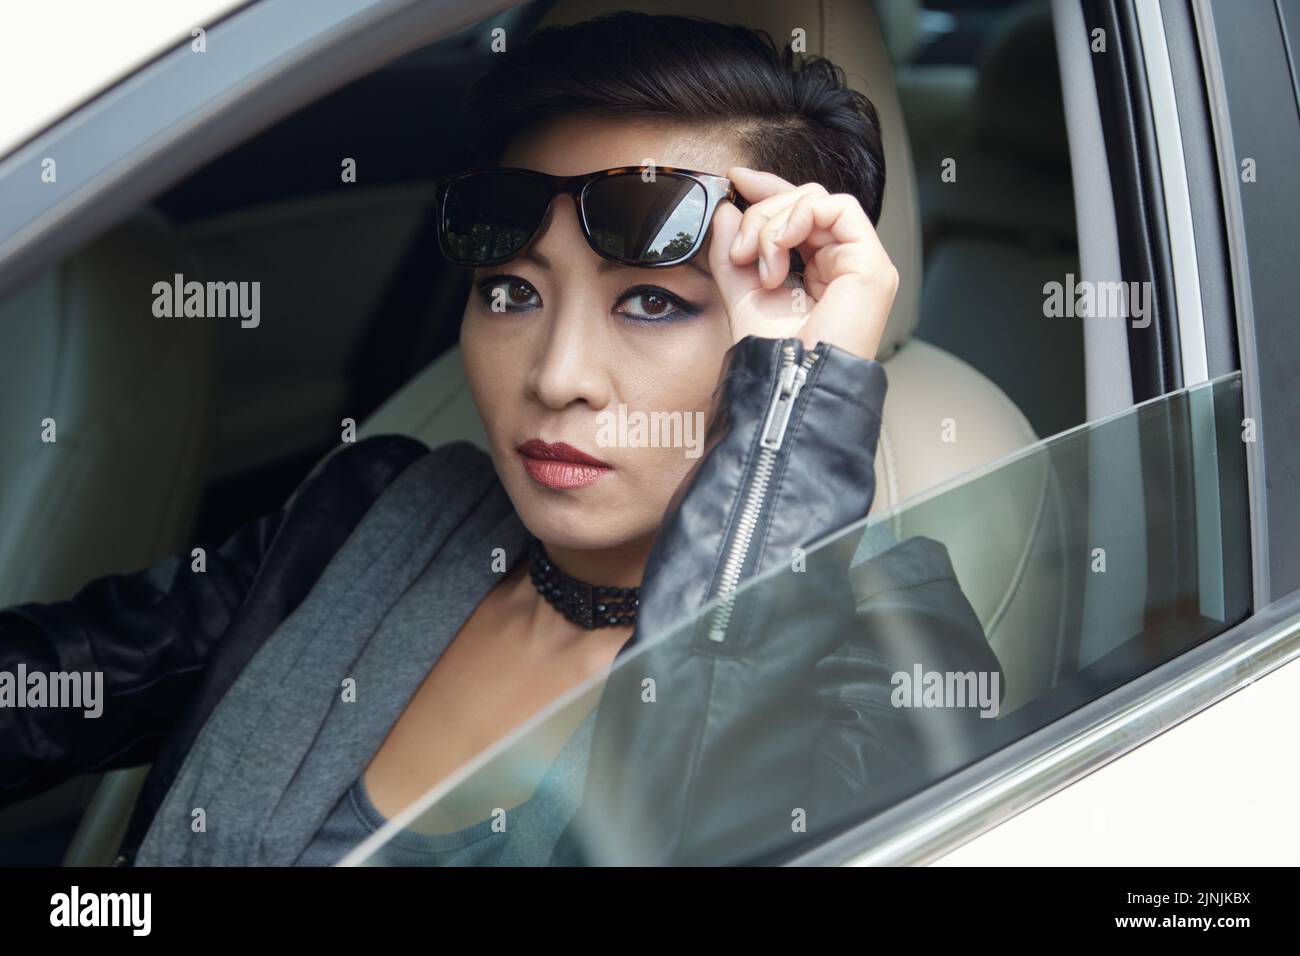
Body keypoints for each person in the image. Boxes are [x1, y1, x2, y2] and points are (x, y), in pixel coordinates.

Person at [0, 12, 1000, 867]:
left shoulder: (894, 663)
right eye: (511, 291)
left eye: (652, 300)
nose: (556, 375)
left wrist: (790, 405)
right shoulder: (377, 516)